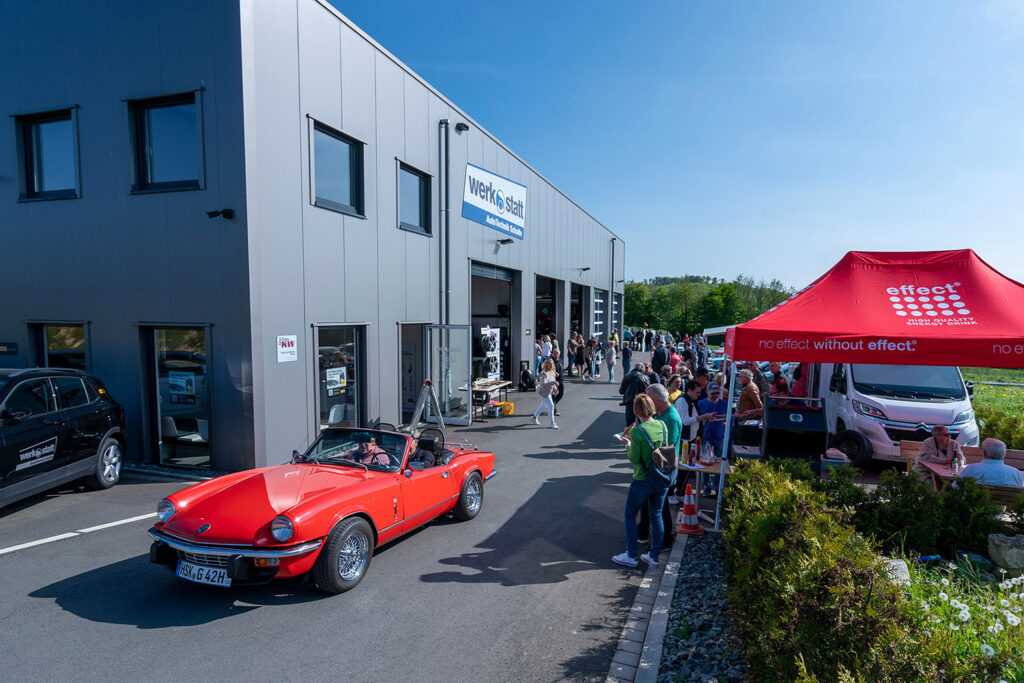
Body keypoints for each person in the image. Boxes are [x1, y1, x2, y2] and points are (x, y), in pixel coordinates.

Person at [612, 394, 671, 569]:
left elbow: (634, 458)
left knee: (630, 515)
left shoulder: (638, 431)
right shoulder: (662, 425)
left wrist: (627, 445)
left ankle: (631, 555)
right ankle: (654, 556)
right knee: (657, 515)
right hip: (661, 476)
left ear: (636, 411)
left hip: (642, 478)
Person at [637, 384, 682, 551]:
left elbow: (666, 447)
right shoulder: (663, 414)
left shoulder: (670, 418)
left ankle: (664, 541)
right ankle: (646, 534)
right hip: (658, 468)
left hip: (663, 470)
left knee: (660, 508)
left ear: (657, 399)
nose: (646, 402)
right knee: (653, 504)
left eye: (648, 398)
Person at [697, 384, 729, 497]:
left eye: (717, 393)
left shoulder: (724, 403)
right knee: (705, 463)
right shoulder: (701, 403)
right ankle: (707, 487)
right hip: (706, 437)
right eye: (713, 393)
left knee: (719, 464)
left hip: (719, 436)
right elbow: (697, 419)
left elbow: (728, 417)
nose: (715, 395)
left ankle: (717, 487)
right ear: (707, 392)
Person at [619, 363, 651, 427]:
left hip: (630, 401)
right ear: (642, 369)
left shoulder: (627, 376)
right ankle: (642, 433)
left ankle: (630, 433)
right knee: (643, 422)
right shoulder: (645, 377)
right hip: (641, 401)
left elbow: (621, 391)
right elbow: (648, 391)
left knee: (630, 424)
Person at [530, 358, 559, 429]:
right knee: (551, 406)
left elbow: (553, 381)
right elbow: (544, 384)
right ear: (546, 365)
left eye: (552, 364)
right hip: (544, 392)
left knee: (543, 405)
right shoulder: (543, 373)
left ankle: (534, 418)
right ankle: (552, 423)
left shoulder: (552, 373)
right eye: (549, 364)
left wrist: (555, 388)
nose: (551, 365)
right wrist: (554, 383)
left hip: (549, 392)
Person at [551, 348, 565, 417]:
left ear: (559, 354)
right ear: (553, 354)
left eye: (557, 354)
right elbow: (548, 370)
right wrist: (554, 373)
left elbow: (562, 369)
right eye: (555, 354)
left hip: (561, 380)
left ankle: (551, 405)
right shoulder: (551, 361)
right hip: (554, 381)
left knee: (561, 394)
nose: (556, 355)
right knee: (553, 395)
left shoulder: (561, 360)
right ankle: (555, 410)